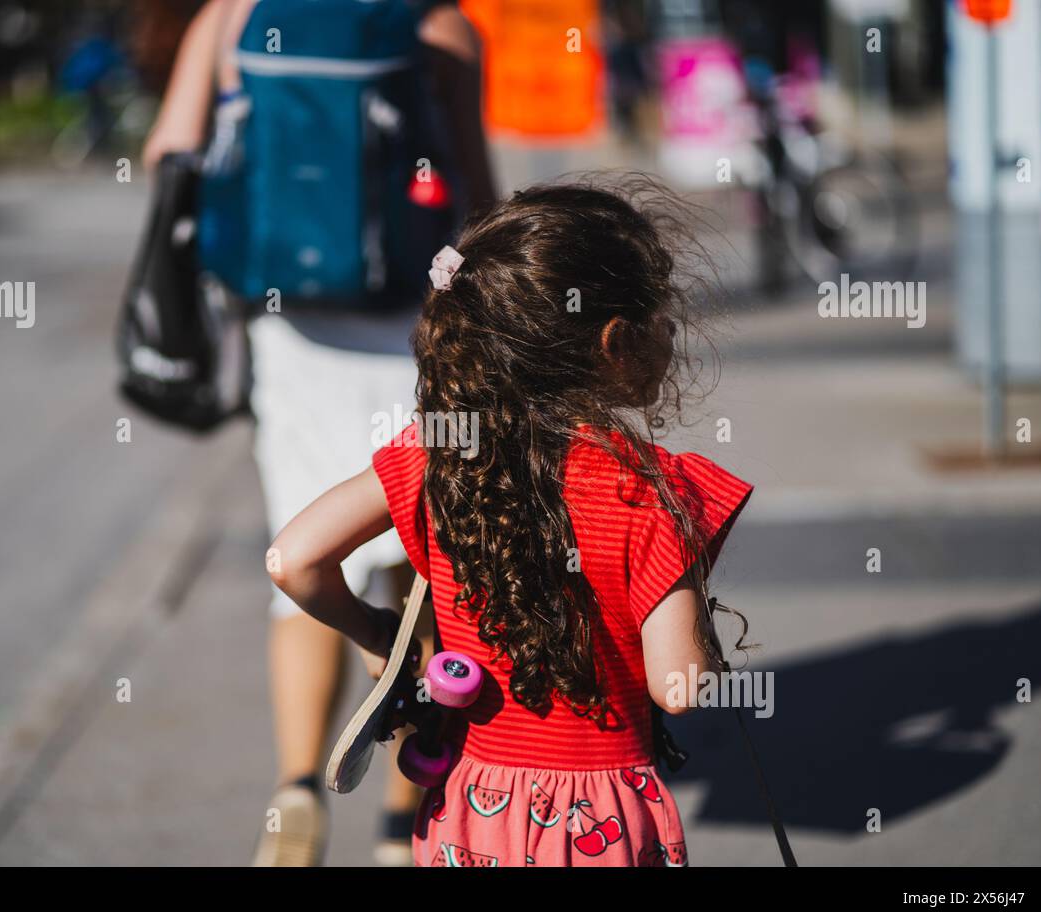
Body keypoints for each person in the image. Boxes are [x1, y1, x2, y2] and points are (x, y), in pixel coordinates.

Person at [267, 179, 754, 866]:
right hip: (601, 824)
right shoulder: (655, 493)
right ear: (615, 341)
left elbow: (292, 558)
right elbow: (678, 687)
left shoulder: (438, 454)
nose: (673, 332)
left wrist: (375, 631)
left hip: (469, 812)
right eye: (662, 317)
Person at [141, 0, 494, 866]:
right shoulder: (439, 25)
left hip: (291, 328)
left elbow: (169, 156)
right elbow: (476, 197)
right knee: (421, 572)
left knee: (302, 550)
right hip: (418, 329)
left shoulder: (233, 16)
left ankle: (298, 788)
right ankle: (402, 823)